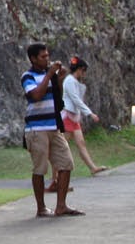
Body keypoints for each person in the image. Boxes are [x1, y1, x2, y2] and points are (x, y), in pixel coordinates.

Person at [22, 43, 81, 217]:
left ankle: (61, 205)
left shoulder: (50, 76)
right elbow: (36, 96)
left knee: (66, 163)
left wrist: (59, 79)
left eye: (48, 56)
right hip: (36, 128)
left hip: (53, 126)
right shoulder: (28, 76)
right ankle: (41, 207)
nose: (47, 59)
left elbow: (56, 97)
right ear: (33, 59)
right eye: (43, 57)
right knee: (39, 168)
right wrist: (49, 74)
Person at [61, 56, 107, 175]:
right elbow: (75, 99)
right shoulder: (69, 80)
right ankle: (56, 173)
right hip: (67, 117)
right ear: (80, 69)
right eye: (83, 71)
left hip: (74, 117)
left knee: (80, 143)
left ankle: (92, 167)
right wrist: (90, 113)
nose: (84, 73)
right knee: (61, 145)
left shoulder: (74, 81)